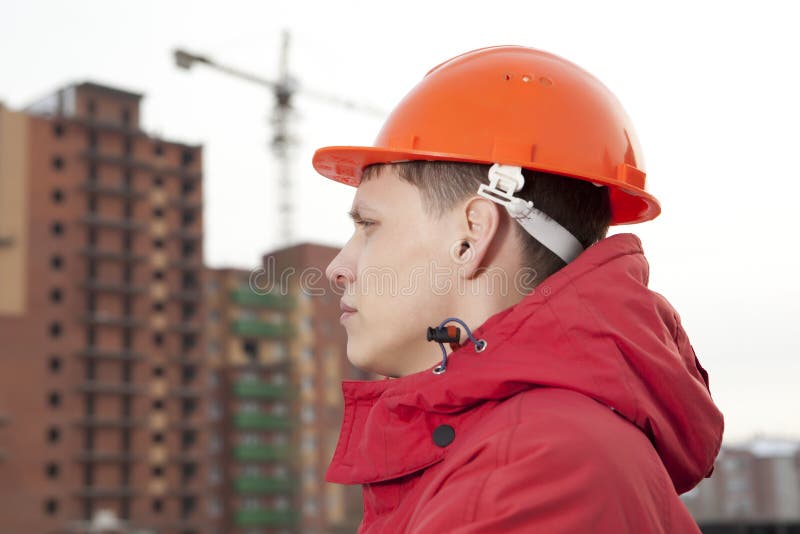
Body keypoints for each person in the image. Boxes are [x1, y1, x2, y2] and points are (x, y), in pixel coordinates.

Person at [313, 46, 723, 533]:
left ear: (471, 236)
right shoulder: (519, 446)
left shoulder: (534, 467)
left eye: (368, 225)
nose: (338, 268)